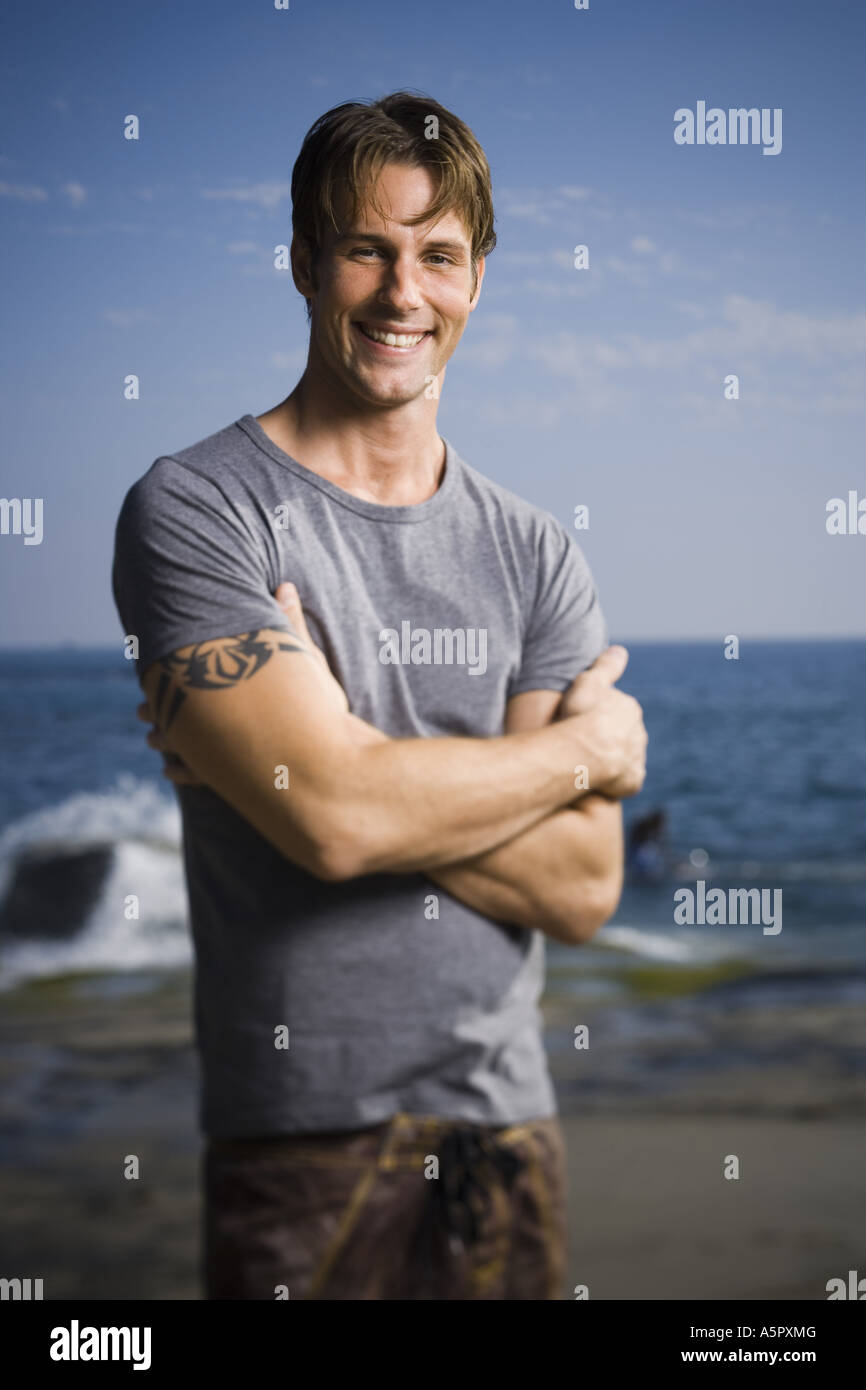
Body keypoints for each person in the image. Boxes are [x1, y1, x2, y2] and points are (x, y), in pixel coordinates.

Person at [112, 90, 647, 1301]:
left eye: (438, 255)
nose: (404, 292)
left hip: (509, 1138)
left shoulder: (535, 552)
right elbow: (336, 818)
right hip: (302, 1141)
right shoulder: (199, 509)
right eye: (367, 248)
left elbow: (580, 887)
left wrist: (338, 759)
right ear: (304, 263)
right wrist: (586, 752)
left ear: (477, 279)